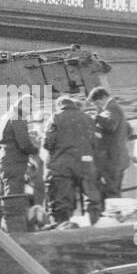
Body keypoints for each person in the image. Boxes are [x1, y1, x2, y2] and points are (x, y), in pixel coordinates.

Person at [42, 95, 102, 225]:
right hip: (86, 161)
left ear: (59, 105)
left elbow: (47, 143)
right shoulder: (87, 117)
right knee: (91, 195)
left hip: (63, 163)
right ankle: (95, 224)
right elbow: (95, 141)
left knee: (62, 198)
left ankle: (63, 226)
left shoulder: (55, 117)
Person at [89, 87, 130, 202]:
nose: (97, 106)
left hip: (113, 159)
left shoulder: (111, 107)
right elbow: (128, 129)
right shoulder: (112, 108)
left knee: (113, 190)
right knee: (113, 189)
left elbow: (112, 125)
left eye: (97, 103)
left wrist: (97, 118)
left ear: (103, 98)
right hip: (117, 157)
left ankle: (116, 216)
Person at [0, 97, 39, 196]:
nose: (29, 114)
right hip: (15, 163)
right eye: (30, 109)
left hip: (6, 160)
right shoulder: (17, 118)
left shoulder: (6, 117)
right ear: (22, 105)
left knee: (9, 195)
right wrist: (36, 150)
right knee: (15, 198)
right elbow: (24, 144)